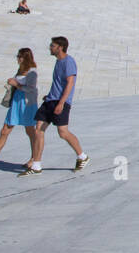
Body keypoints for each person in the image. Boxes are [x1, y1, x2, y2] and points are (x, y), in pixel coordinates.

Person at [19, 36, 88, 176]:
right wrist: (50, 95)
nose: (50, 47)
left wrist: (61, 102)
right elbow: (58, 82)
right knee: (39, 129)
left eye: (52, 45)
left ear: (60, 47)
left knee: (63, 133)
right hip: (51, 100)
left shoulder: (69, 62)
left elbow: (70, 83)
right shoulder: (58, 61)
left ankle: (82, 157)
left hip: (61, 102)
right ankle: (36, 165)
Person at [0, 48, 39, 170]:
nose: (17, 58)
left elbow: (31, 89)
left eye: (19, 56)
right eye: (18, 56)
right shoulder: (20, 69)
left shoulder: (32, 72)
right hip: (17, 103)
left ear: (25, 58)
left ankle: (34, 159)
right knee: (4, 131)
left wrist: (16, 84)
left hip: (27, 104)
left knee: (30, 132)